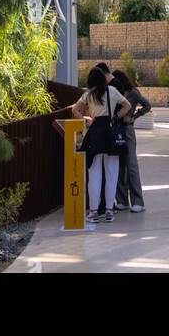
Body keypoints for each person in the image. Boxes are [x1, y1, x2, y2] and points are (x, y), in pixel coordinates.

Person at [71, 66, 131, 224]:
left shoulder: (88, 94)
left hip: (95, 134)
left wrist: (86, 119)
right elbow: (128, 106)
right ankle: (110, 211)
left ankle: (94, 212)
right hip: (110, 133)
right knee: (112, 174)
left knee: (94, 174)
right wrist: (116, 116)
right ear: (104, 79)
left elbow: (75, 110)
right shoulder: (112, 91)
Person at [111, 68, 151, 213]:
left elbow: (147, 105)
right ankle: (122, 200)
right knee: (120, 165)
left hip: (127, 130)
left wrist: (134, 116)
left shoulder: (132, 92)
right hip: (116, 130)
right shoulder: (114, 92)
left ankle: (138, 201)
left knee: (131, 165)